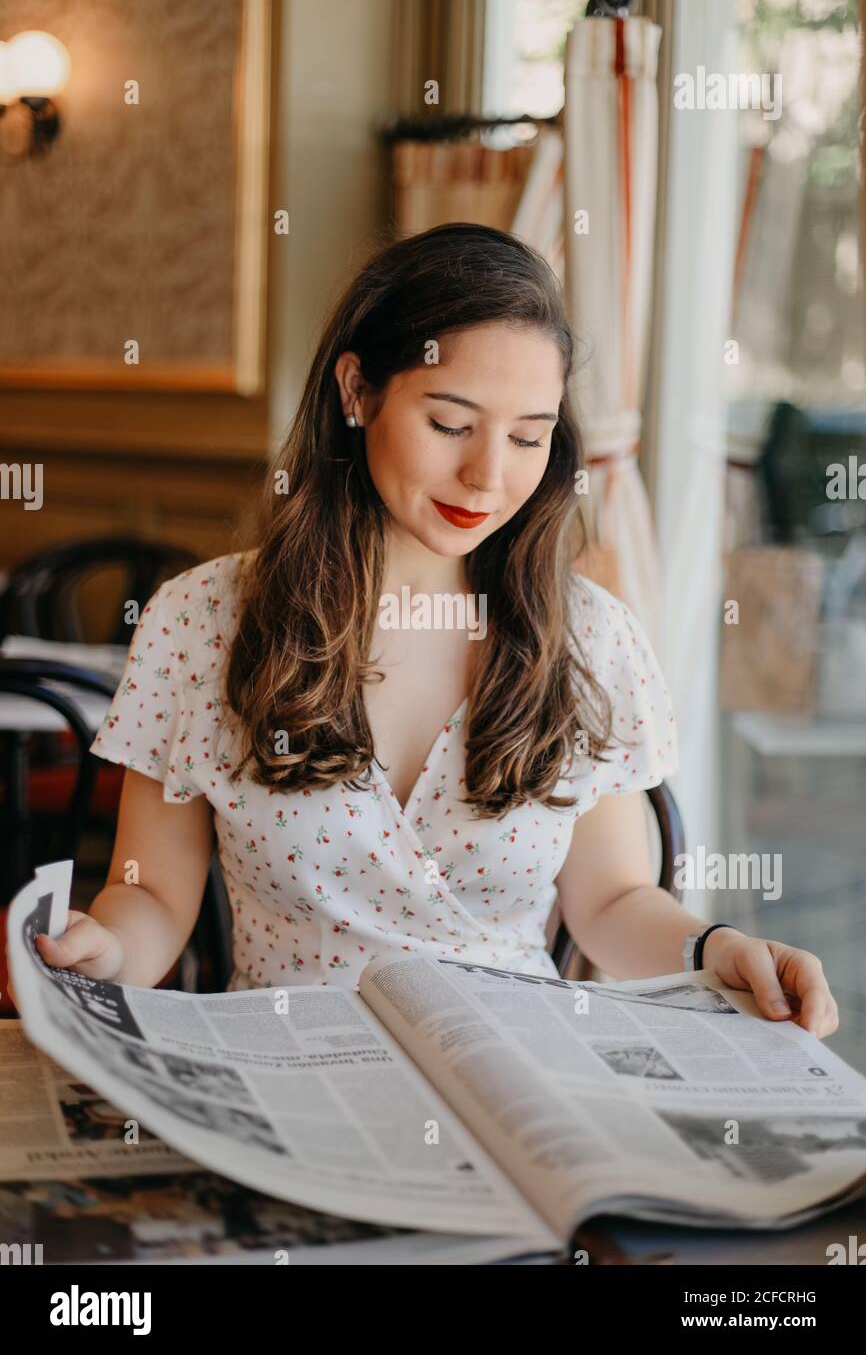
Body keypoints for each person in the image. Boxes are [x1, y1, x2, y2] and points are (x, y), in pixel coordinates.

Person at [24, 223, 837, 1038]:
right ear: (356, 391)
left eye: (528, 436)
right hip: (289, 1060)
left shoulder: (590, 636)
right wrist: (106, 947)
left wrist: (717, 948)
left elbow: (613, 902)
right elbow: (155, 894)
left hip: (518, 1069)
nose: (489, 476)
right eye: (451, 424)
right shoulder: (202, 620)